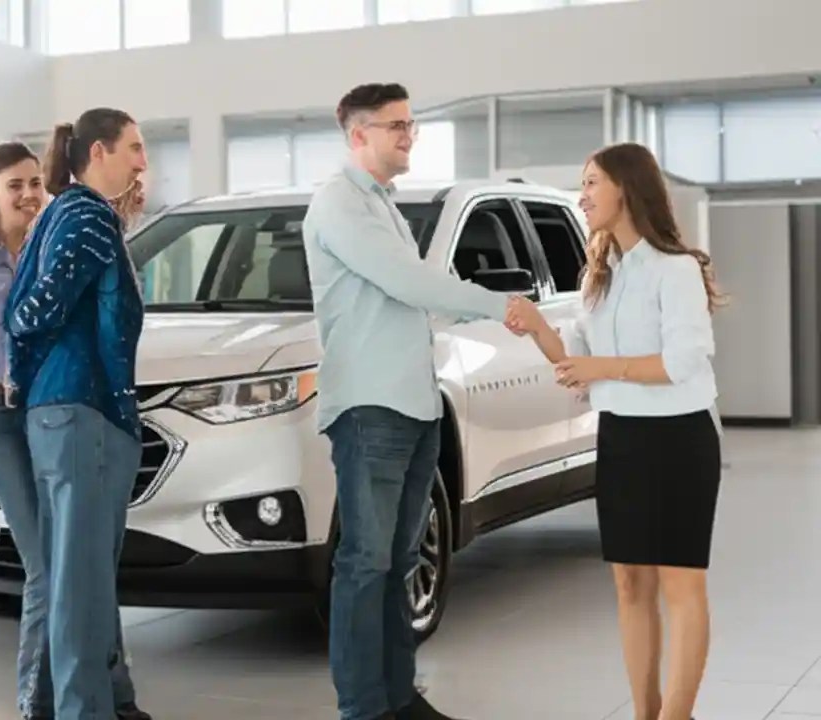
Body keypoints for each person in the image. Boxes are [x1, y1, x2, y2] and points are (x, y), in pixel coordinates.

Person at [301, 83, 531, 720]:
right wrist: (499, 305)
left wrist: (482, 306)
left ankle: (399, 698)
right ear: (358, 135)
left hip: (416, 406)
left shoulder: (386, 207)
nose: (408, 135)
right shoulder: (340, 204)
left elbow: (421, 292)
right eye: (395, 125)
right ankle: (363, 706)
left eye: (411, 124)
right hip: (371, 410)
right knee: (365, 561)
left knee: (400, 560)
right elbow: (409, 282)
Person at [0, 141, 151, 720]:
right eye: (14, 186)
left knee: (79, 561)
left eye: (33, 182)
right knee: (48, 565)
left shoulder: (55, 236)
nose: (27, 194)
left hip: (46, 408)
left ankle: (110, 692)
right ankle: (38, 702)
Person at [505, 142, 723, 720]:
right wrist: (534, 328)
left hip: (679, 439)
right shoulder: (600, 277)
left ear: (626, 188)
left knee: (681, 585)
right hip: (622, 437)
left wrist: (600, 369)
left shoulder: (676, 270)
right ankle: (644, 714)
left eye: (592, 183)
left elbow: (679, 364)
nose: (582, 195)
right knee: (629, 583)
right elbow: (575, 366)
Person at [3, 108, 148, 720]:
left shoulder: (67, 213)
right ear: (98, 152)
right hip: (82, 409)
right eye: (135, 148)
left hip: (63, 410)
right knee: (81, 586)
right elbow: (32, 311)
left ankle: (67, 704)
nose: (143, 161)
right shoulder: (87, 216)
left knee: (73, 577)